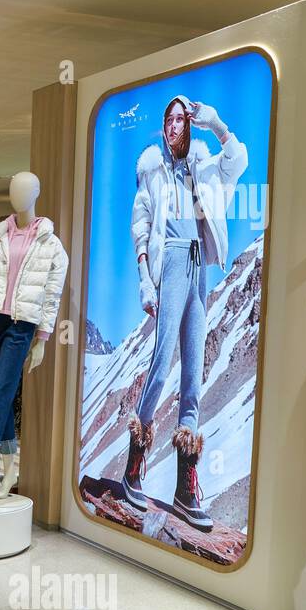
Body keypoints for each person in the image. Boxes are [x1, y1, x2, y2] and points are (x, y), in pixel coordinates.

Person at [120, 96, 248, 531]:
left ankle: (184, 485)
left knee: (194, 367)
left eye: (181, 118)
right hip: (171, 260)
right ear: (162, 127)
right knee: (160, 360)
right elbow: (139, 223)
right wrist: (143, 277)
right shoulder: (153, 170)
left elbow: (239, 161)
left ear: (189, 124)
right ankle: (134, 465)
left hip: (199, 266)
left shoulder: (205, 165)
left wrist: (216, 123)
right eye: (168, 119)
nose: (174, 125)